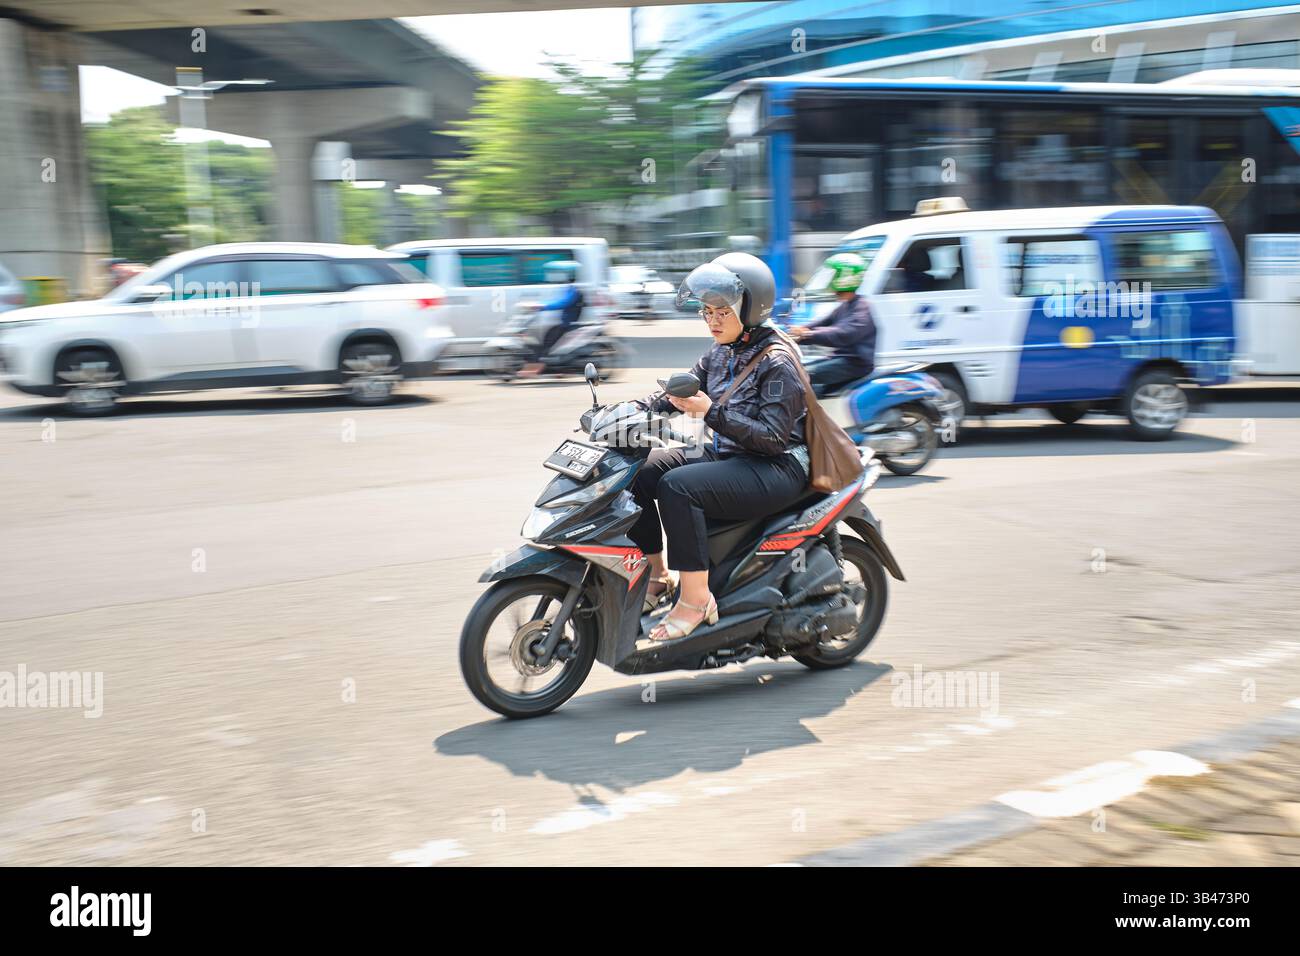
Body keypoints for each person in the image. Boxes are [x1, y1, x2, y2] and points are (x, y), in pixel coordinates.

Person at [628, 252, 811, 642]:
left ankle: (696, 600)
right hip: (731, 451)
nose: (711, 320)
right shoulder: (720, 351)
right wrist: (628, 413)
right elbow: (676, 394)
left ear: (750, 308)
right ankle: (657, 576)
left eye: (721, 312)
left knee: (678, 487)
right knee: (639, 472)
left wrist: (711, 413)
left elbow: (772, 438)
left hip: (776, 466)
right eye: (706, 311)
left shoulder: (778, 362)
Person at [788, 252, 877, 397]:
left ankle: (811, 417)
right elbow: (823, 322)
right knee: (798, 369)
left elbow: (842, 333)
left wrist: (806, 335)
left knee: (801, 374)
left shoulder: (861, 308)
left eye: (833, 275)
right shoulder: (846, 305)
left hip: (854, 364)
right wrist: (794, 332)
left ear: (843, 277)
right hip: (841, 360)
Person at [519, 260, 584, 377]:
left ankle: (542, 366)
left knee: (547, 343)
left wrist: (543, 306)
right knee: (544, 339)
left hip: (567, 324)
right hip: (564, 322)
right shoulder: (569, 288)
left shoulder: (574, 290)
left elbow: (562, 303)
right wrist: (539, 305)